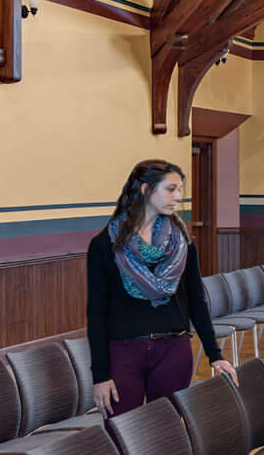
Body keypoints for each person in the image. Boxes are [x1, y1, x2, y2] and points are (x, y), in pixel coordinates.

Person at [86, 158, 235, 417]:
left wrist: (215, 354)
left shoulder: (182, 242)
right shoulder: (104, 245)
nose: (178, 197)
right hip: (123, 351)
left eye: (180, 190)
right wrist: (99, 375)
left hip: (173, 348)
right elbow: (96, 313)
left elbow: (197, 301)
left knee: (167, 430)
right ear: (145, 190)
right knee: (122, 431)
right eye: (170, 189)